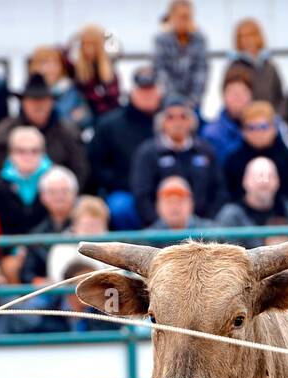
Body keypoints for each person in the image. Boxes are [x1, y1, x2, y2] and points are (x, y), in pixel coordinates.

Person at [129, 94, 223, 224]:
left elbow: (218, 190)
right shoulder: (148, 153)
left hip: (201, 226)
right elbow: (142, 195)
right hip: (160, 227)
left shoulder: (206, 151)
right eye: (170, 117)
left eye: (183, 116)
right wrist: (160, 225)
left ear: (191, 121)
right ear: (161, 122)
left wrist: (204, 223)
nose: (177, 122)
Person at [86, 65, 160, 228]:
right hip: (125, 192)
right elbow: (96, 165)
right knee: (120, 208)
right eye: (142, 90)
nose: (147, 94)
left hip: (164, 192)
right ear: (132, 91)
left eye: (151, 89)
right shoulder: (110, 125)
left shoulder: (173, 120)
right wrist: (127, 183)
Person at [0, 74, 88, 185]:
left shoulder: (69, 133)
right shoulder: (3, 133)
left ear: (52, 103)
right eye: (33, 100)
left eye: (43, 100)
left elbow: (80, 170)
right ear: (23, 103)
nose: (39, 106)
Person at [220, 100, 288, 208]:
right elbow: (228, 195)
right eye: (252, 127)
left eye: (263, 127)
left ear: (274, 129)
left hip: (281, 216)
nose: (258, 133)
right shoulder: (233, 160)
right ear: (243, 131)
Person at [23, 194, 110, 283]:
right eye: (87, 226)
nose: (91, 231)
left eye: (96, 226)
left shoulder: (112, 247)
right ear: (75, 226)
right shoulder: (63, 245)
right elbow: (57, 277)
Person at [216, 157, 288, 243]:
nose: (264, 182)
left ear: (277, 181)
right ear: (245, 181)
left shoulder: (286, 208)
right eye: (258, 176)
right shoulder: (231, 214)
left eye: (270, 176)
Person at [0, 125, 52, 237]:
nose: (28, 156)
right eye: (21, 151)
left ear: (43, 152)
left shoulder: (57, 181)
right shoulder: (0, 185)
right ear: (11, 153)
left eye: (34, 151)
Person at [153, 1, 209, 111]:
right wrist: (175, 101)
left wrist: (192, 101)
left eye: (187, 17)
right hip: (167, 103)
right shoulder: (161, 41)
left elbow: (201, 72)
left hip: (193, 104)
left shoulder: (199, 40)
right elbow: (160, 72)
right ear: (171, 17)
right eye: (181, 17)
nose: (184, 21)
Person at [229, 18, 285, 117]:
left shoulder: (270, 67)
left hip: (269, 120)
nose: (247, 40)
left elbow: (280, 96)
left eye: (251, 35)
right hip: (244, 121)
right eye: (243, 36)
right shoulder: (234, 67)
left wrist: (276, 117)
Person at [202, 67, 256, 166]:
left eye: (243, 92)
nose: (238, 98)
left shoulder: (265, 127)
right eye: (233, 93)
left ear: (251, 95)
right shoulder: (212, 134)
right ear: (223, 96)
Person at [27, 46, 90, 131]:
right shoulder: (29, 92)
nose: (51, 67)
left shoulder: (71, 91)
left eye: (56, 63)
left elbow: (86, 118)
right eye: (45, 63)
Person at [71, 25, 122, 121]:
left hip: (105, 117)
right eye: (85, 45)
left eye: (93, 45)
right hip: (86, 117)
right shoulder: (76, 69)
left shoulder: (109, 70)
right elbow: (63, 54)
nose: (89, 49)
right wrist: (76, 37)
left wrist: (106, 34)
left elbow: (114, 99)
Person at [147, 175, 214, 233]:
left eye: (180, 201)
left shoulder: (211, 233)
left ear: (191, 203)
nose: (174, 207)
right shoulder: (147, 239)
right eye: (169, 202)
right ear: (158, 206)